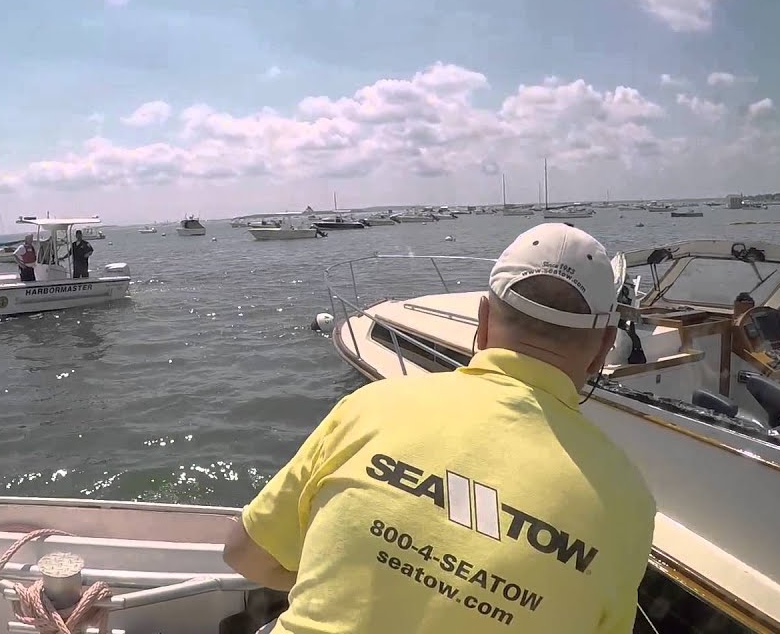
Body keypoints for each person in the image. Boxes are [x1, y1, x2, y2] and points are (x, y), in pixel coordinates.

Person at [224, 223, 657, 634]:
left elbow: (244, 554)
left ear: (483, 320)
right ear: (603, 348)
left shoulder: (375, 406)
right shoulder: (629, 501)